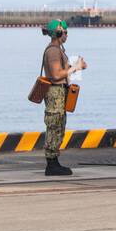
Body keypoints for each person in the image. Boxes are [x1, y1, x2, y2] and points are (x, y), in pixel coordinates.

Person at [40, 19, 87, 176]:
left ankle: (54, 162)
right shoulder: (53, 51)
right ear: (59, 33)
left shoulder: (57, 49)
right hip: (55, 93)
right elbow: (55, 75)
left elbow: (61, 70)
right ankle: (51, 165)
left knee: (59, 126)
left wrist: (75, 66)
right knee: (54, 126)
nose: (67, 35)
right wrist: (76, 67)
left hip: (59, 93)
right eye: (65, 32)